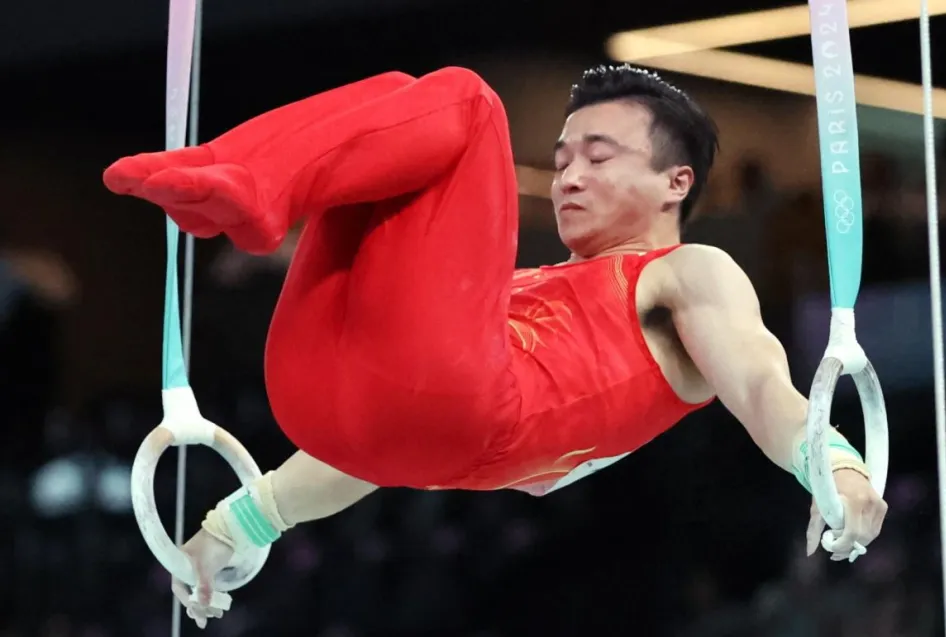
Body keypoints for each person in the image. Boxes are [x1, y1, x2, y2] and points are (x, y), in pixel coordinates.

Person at [103, 64, 887, 627]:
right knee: (390, 109)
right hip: (326, 407)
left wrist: (837, 468)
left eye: (599, 156)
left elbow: (757, 382)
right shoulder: (508, 287)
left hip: (471, 409)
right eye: (564, 157)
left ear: (675, 183)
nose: (568, 177)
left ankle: (253, 182)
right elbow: (382, 445)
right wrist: (237, 526)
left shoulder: (688, 271)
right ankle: (232, 178)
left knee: (470, 105)